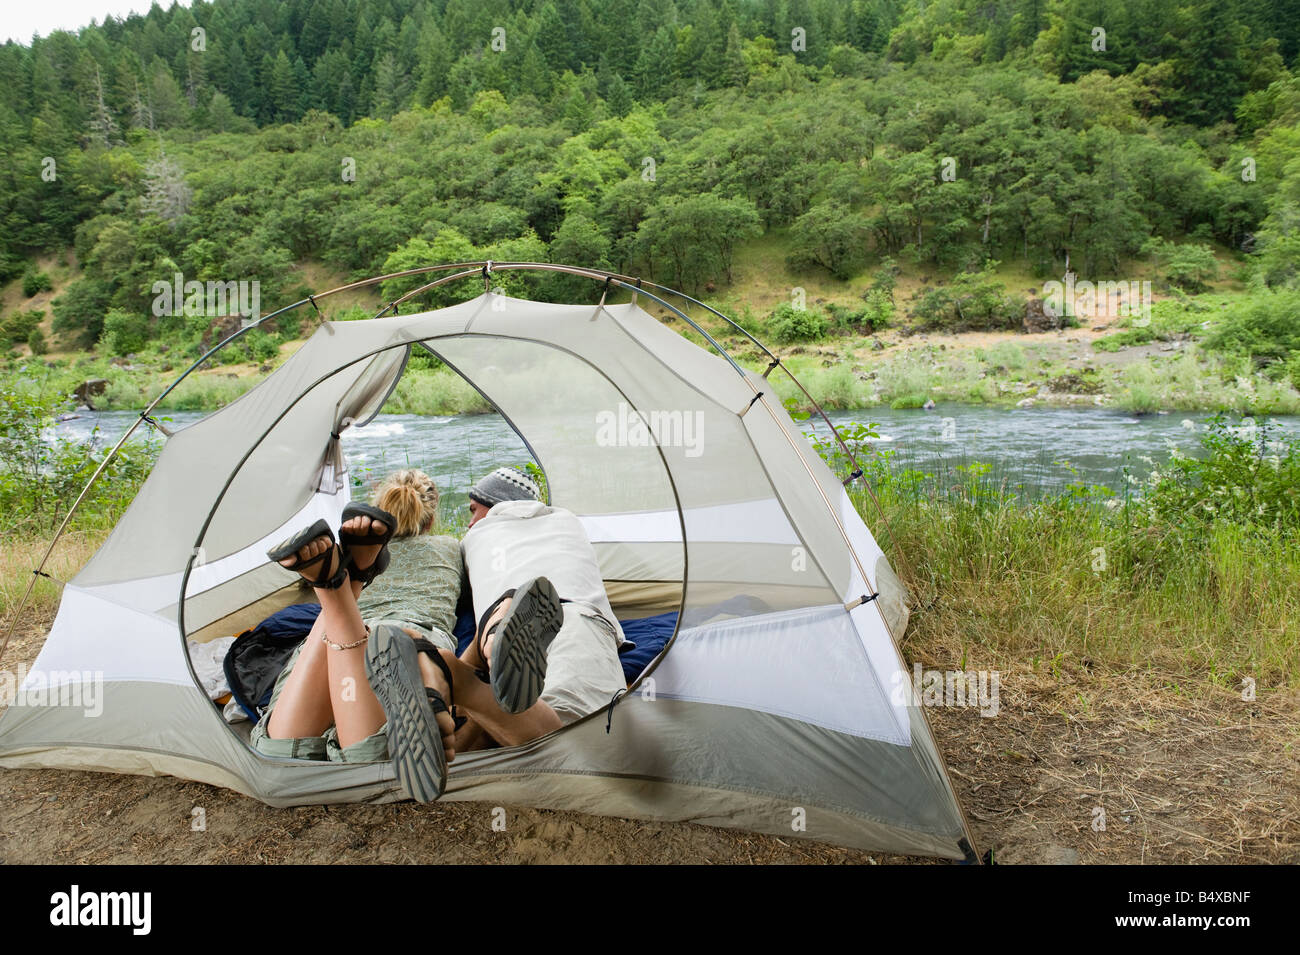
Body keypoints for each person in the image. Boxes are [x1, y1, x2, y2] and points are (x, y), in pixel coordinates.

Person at [249, 470, 463, 802]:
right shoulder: (449, 546)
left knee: (280, 754)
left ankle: (346, 585)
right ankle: (347, 585)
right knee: (370, 756)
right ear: (430, 520)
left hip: (334, 640)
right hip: (413, 635)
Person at [436, 467, 628, 756]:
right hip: (576, 614)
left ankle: (471, 670)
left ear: (496, 503)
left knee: (473, 742)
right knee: (580, 727)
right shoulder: (568, 521)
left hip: (501, 620)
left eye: (474, 510)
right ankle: (470, 678)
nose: (471, 522)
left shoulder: (476, 538)